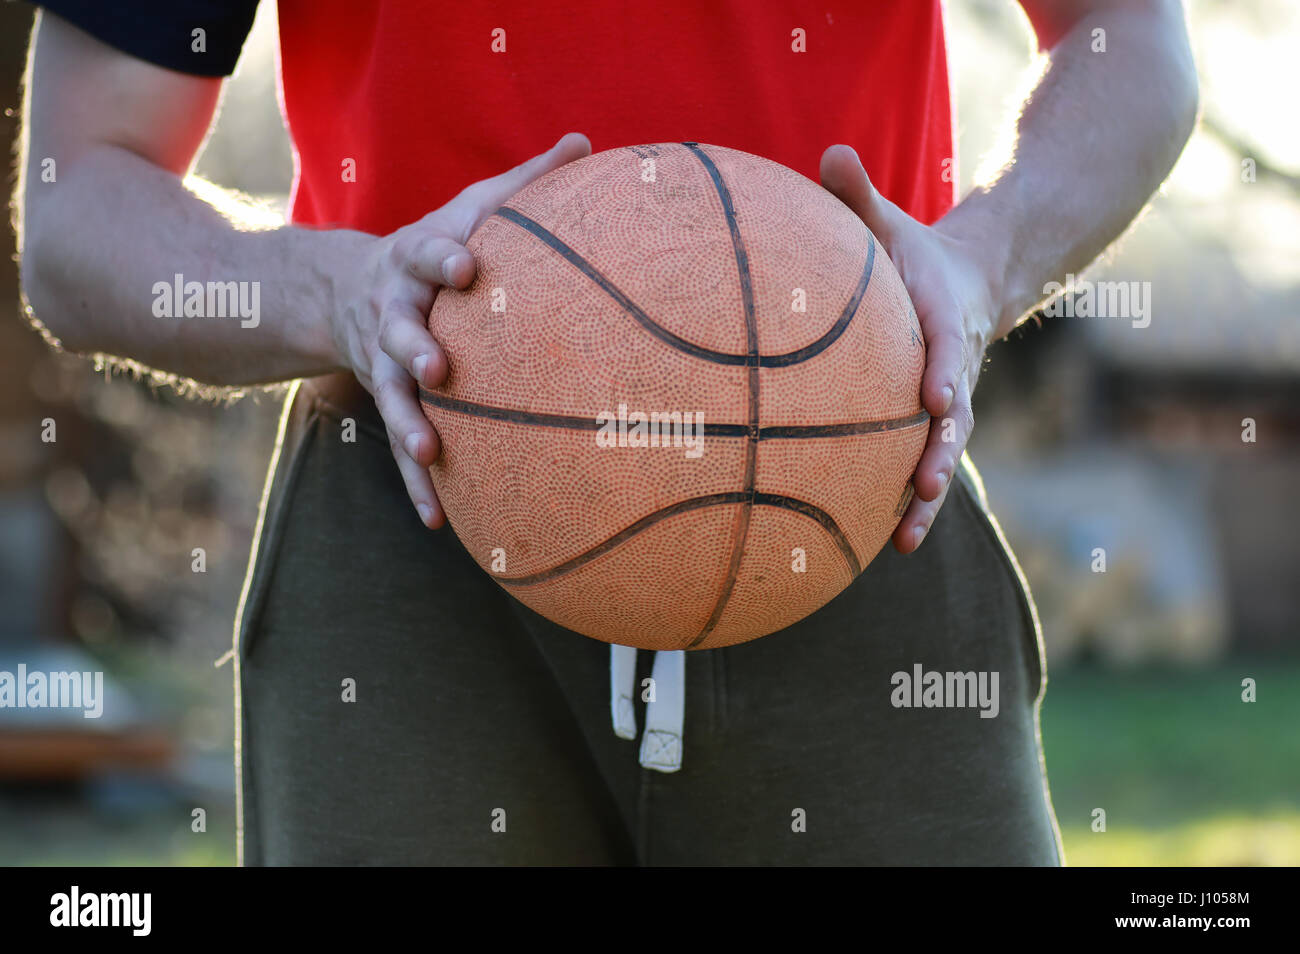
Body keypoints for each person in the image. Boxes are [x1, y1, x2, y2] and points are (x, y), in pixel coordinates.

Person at [16, 0, 1197, 864]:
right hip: (409, 505)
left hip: (855, 485)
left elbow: (1131, 40)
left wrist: (980, 262)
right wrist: (339, 292)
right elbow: (80, 207)